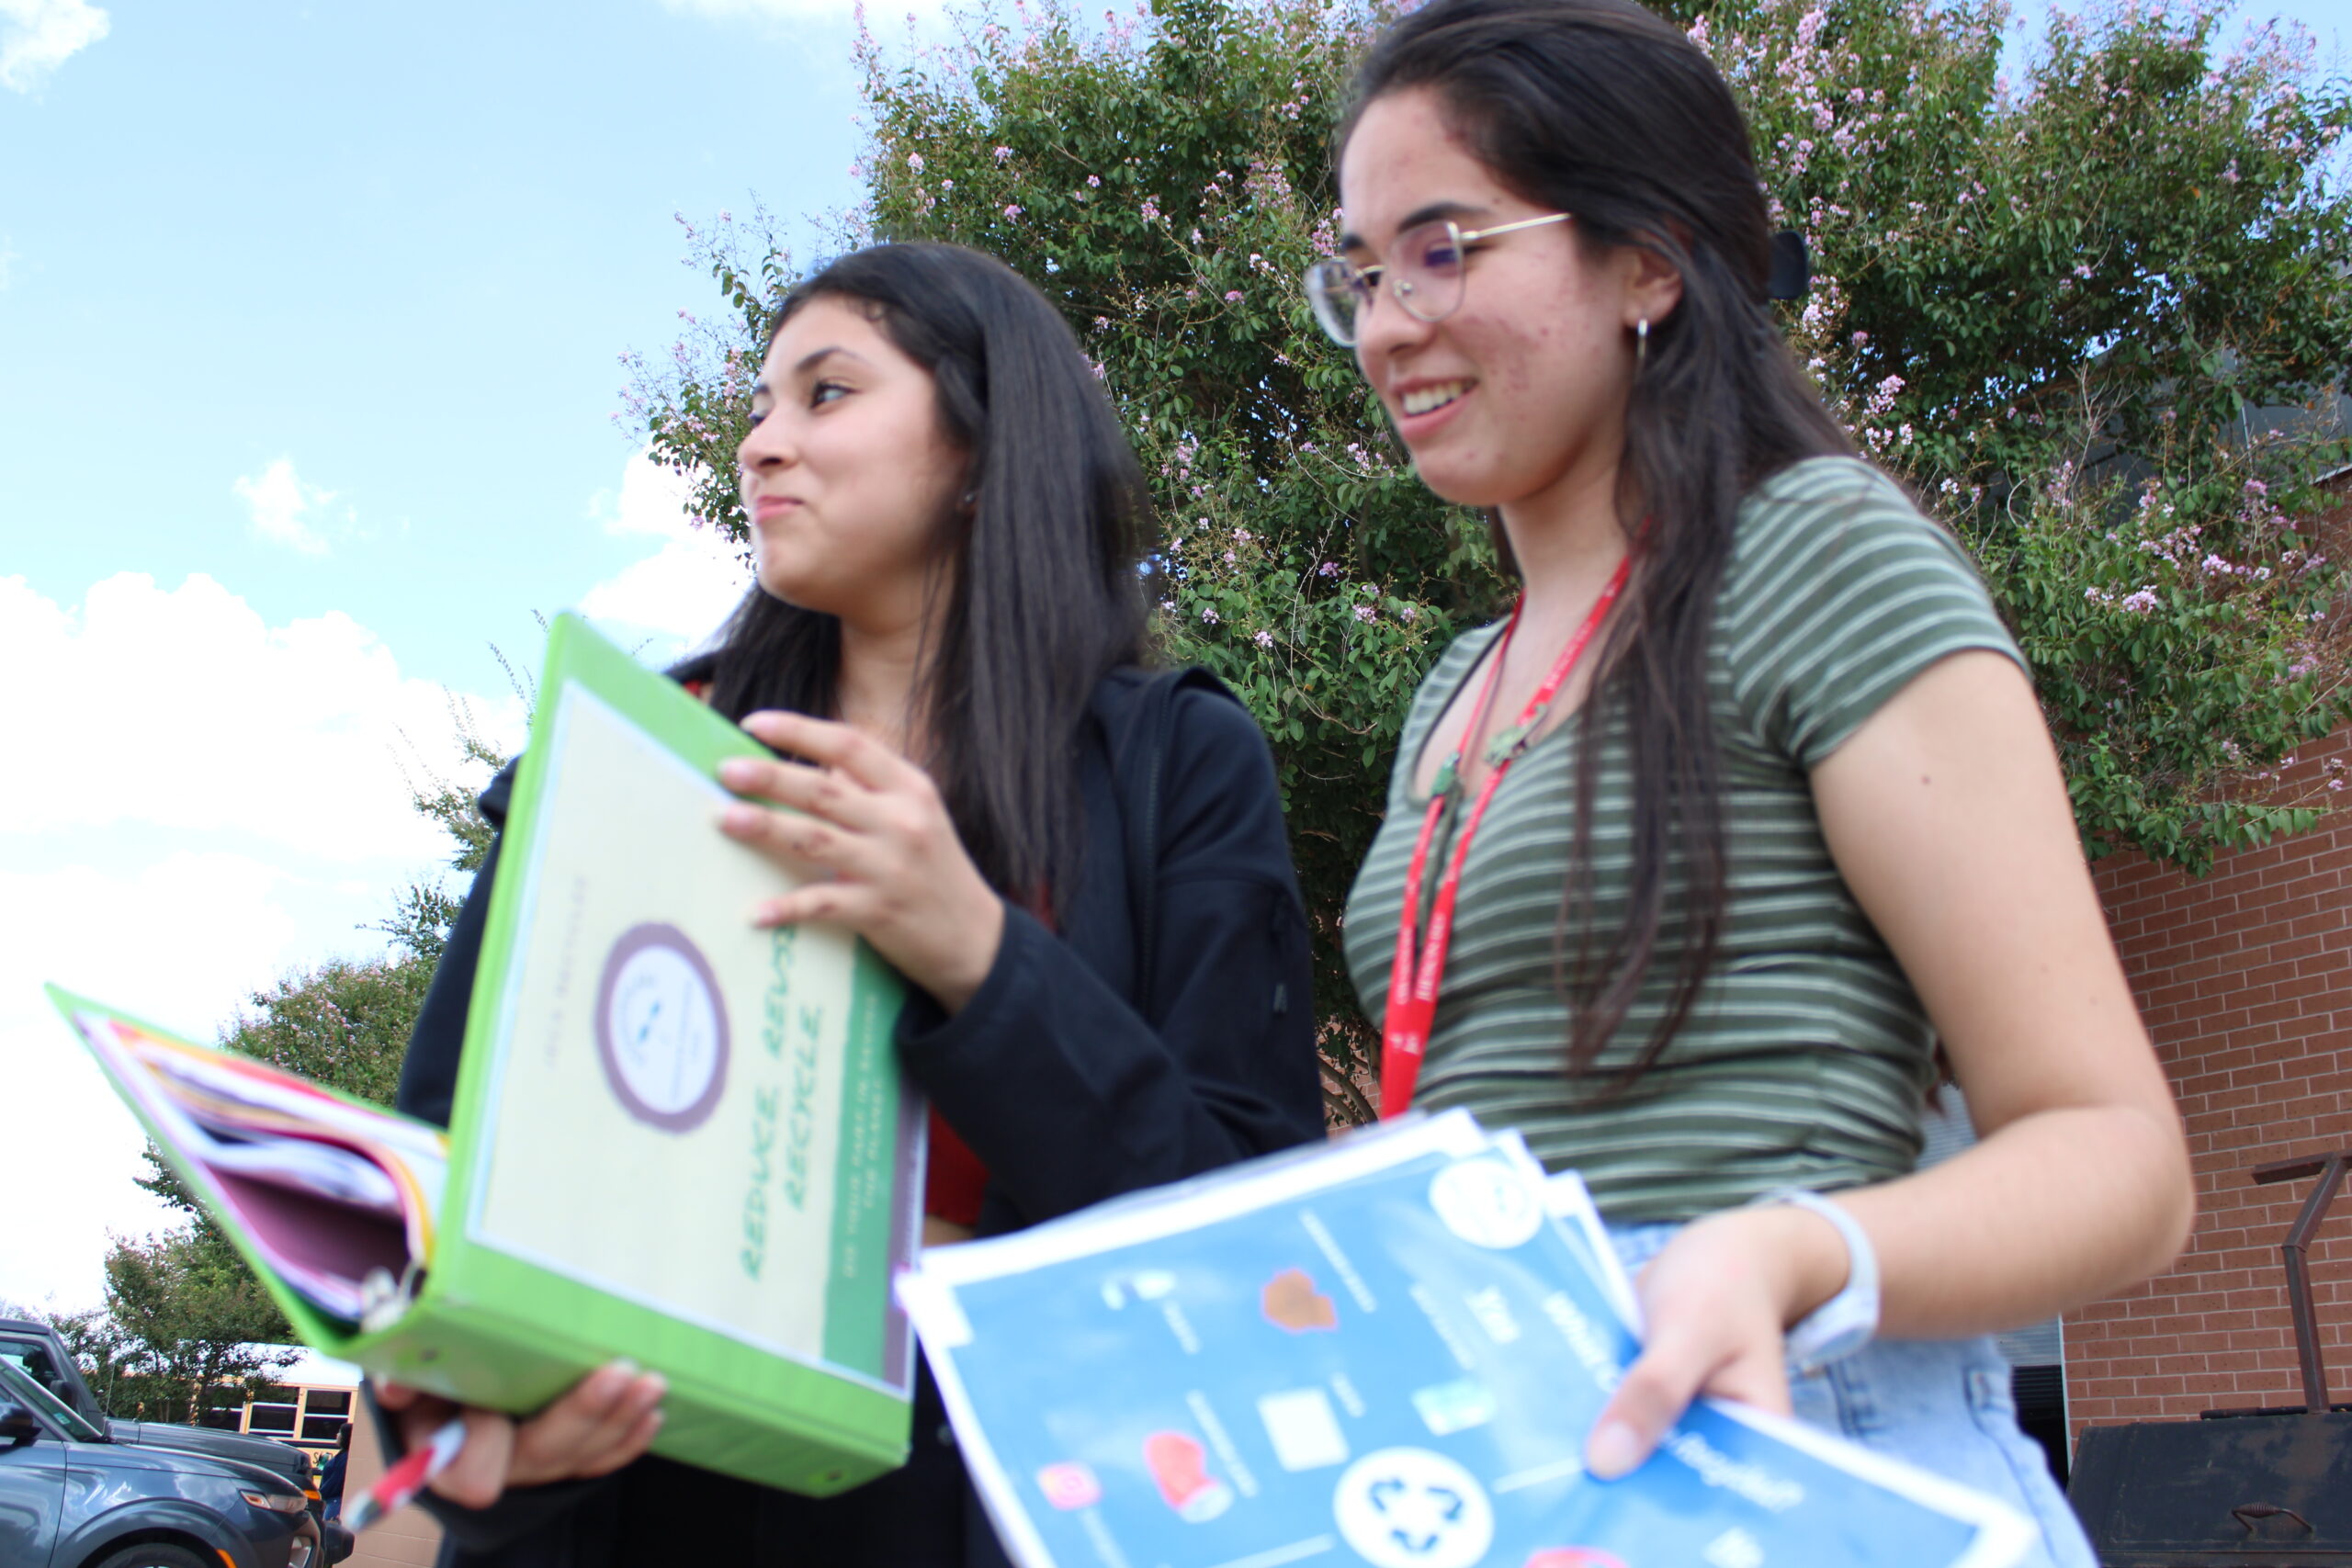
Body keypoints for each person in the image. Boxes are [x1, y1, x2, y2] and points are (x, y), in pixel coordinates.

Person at [1315, 1, 2193, 1561]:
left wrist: (1792, 1254)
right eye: (1363, 271)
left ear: (1648, 262)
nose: (1388, 322)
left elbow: (2120, 1161)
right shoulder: (1453, 687)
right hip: (1535, 1478)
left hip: (1812, 1455)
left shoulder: (1815, 555)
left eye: (1445, 248)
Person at [377, 241, 1324, 1567]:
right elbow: (444, 1167)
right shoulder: (643, 752)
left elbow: (1255, 1229)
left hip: (1008, 1507)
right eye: (759, 405)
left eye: (826, 394)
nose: (763, 444)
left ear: (987, 449)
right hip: (645, 1509)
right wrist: (485, 1428)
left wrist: (981, 958)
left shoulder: (1175, 761)